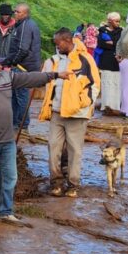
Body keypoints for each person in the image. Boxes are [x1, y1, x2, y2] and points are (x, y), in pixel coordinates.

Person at [0, 51, 68, 226]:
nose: (1, 66)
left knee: (10, 177)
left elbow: (29, 78)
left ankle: (4, 211)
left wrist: (54, 75)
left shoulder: (5, 77)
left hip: (7, 139)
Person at [40, 28, 100, 198]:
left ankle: (73, 184)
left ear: (67, 41)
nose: (56, 46)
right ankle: (56, 182)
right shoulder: (52, 61)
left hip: (77, 114)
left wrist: (84, 103)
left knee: (75, 150)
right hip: (56, 112)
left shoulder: (85, 59)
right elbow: (44, 81)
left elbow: (95, 85)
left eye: (58, 43)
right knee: (53, 147)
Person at [3, 3, 41, 131]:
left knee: (21, 96)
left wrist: (13, 62)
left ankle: (22, 124)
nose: (15, 13)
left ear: (25, 13)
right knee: (15, 95)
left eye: (18, 12)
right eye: (15, 11)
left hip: (23, 67)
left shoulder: (25, 25)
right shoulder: (23, 24)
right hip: (22, 65)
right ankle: (14, 122)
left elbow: (23, 49)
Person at [96, 13, 123, 114]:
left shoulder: (120, 31)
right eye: (116, 21)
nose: (118, 23)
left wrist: (112, 42)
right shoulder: (102, 30)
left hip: (116, 61)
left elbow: (119, 43)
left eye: (119, 21)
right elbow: (100, 43)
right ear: (110, 21)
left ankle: (115, 105)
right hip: (106, 60)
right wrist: (112, 43)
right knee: (106, 84)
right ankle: (106, 105)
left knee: (116, 83)